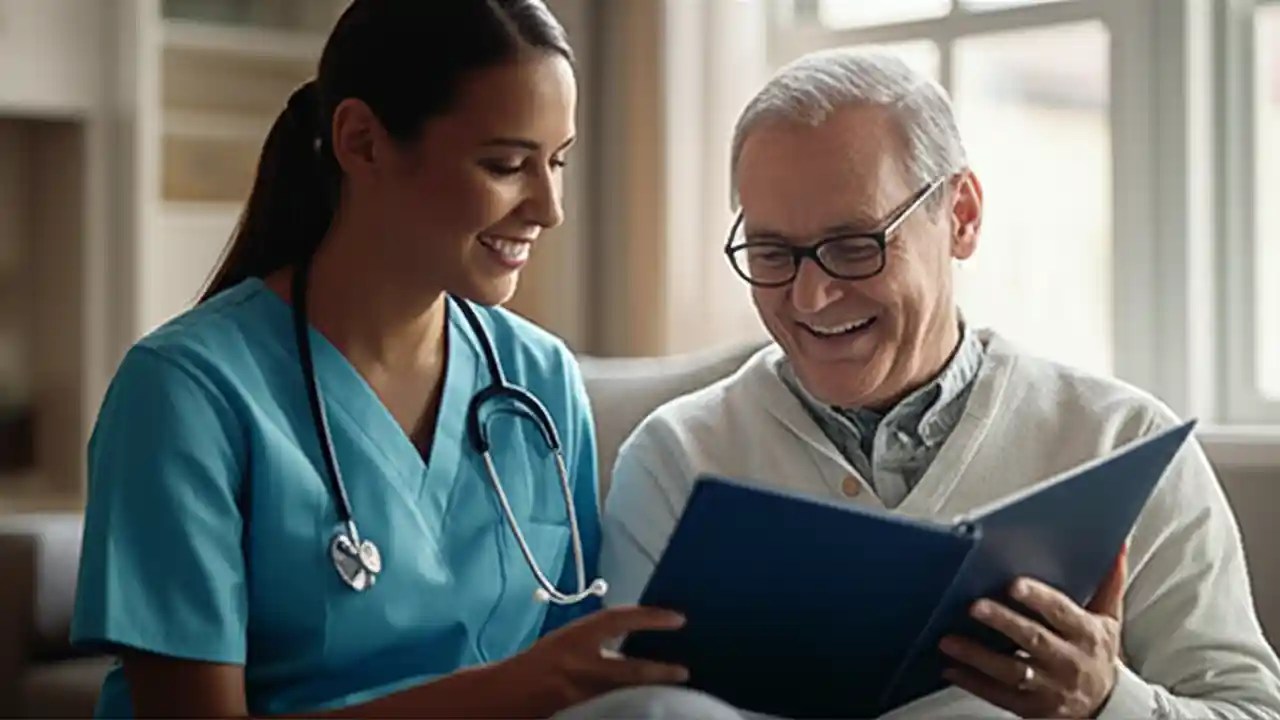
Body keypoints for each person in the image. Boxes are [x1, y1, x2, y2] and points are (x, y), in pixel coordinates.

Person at [69, 2, 749, 718]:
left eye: (558, 162)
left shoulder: (541, 383)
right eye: (506, 165)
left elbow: (574, 676)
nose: (548, 208)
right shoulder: (186, 394)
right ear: (362, 143)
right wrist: (505, 692)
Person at [600, 49, 1280, 719]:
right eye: (773, 253)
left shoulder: (1127, 443)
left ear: (961, 216)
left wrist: (1105, 703)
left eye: (854, 245)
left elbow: (1249, 709)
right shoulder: (672, 462)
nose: (809, 297)